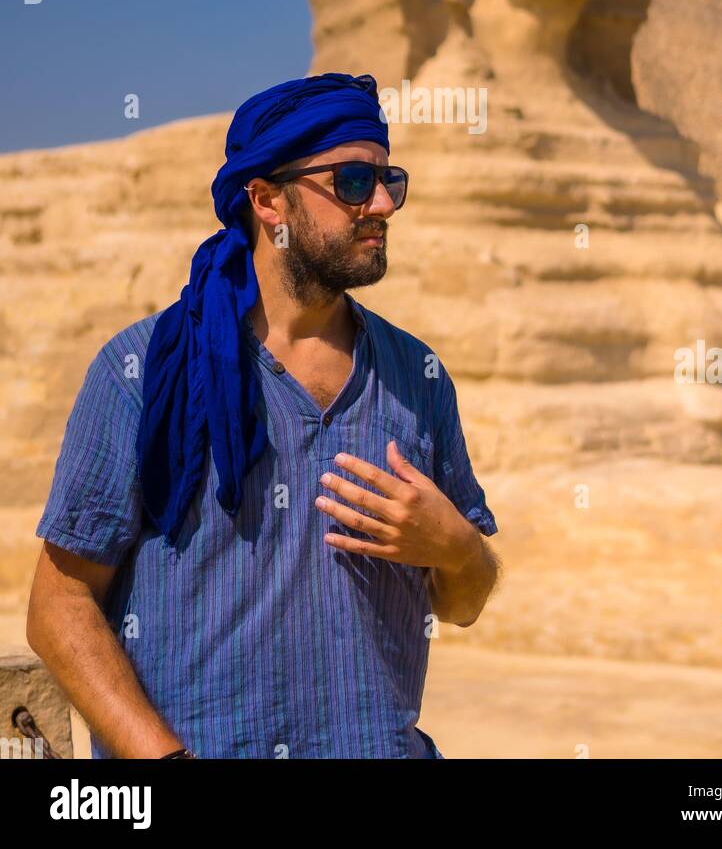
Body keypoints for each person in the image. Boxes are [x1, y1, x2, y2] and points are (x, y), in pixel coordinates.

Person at [27, 72, 500, 759]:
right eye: (352, 182)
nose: (383, 206)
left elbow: (464, 602)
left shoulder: (415, 378)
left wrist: (457, 549)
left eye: (388, 180)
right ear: (268, 200)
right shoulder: (145, 373)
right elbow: (59, 609)